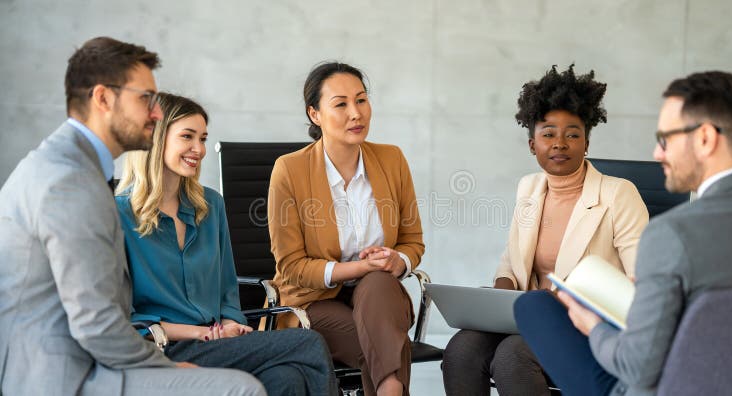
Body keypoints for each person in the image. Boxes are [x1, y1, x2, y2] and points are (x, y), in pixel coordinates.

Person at [0, 37, 265, 395]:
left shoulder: (71, 166)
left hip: (85, 359)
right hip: (67, 374)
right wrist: (168, 366)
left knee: (280, 372)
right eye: (145, 99)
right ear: (103, 98)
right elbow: (97, 325)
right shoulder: (71, 182)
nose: (155, 114)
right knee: (241, 388)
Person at [514, 71, 732, 395]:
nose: (657, 153)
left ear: (705, 138)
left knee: (534, 307)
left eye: (665, 139)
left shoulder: (671, 235)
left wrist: (592, 327)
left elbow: (637, 366)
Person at [442, 65, 649, 396]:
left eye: (573, 134)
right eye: (549, 133)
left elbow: (642, 281)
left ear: (586, 142)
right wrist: (498, 299)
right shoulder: (529, 188)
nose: (560, 144)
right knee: (461, 350)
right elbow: (512, 261)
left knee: (512, 357)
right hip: (525, 315)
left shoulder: (618, 194)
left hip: (586, 322)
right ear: (531, 144)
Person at [115, 92, 337, 396]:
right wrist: (203, 333)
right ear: (155, 139)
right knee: (308, 342)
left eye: (203, 138)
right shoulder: (119, 214)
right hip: (167, 349)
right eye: (187, 137)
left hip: (219, 342)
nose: (199, 149)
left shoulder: (210, 206)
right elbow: (125, 318)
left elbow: (227, 292)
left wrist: (232, 325)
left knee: (287, 379)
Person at [267, 62, 425, 396]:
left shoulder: (392, 159)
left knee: (379, 283)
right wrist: (359, 267)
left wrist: (399, 261)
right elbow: (291, 267)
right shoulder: (290, 170)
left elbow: (412, 242)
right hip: (313, 303)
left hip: (380, 297)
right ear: (315, 114)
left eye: (362, 100)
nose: (356, 113)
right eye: (340, 104)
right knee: (388, 346)